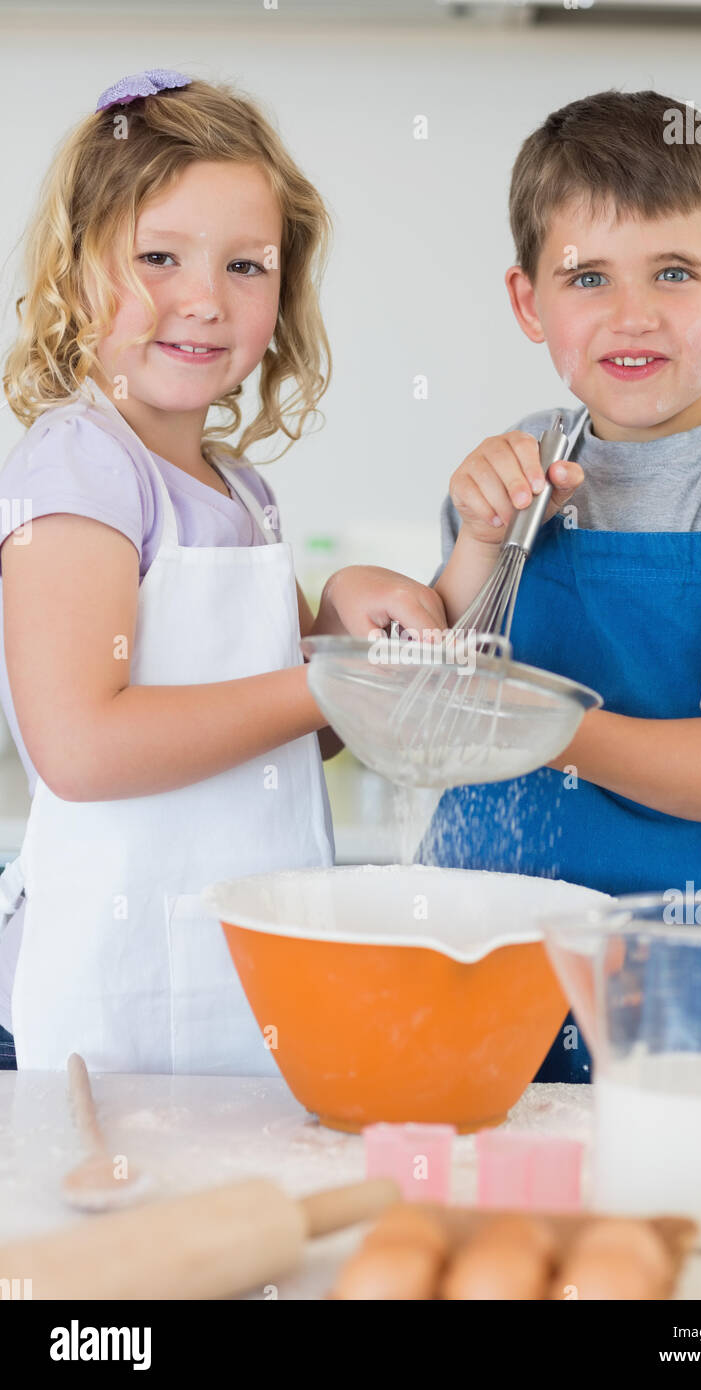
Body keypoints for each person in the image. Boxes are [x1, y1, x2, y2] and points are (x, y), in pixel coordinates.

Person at [0, 70, 445, 1074]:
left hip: (233, 985)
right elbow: (78, 744)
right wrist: (316, 676)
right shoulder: (80, 465)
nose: (201, 299)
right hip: (113, 1004)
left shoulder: (238, 488)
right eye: (157, 256)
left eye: (247, 266)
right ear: (74, 275)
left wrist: (342, 617)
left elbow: (303, 731)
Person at [420, 89, 701, 1087]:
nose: (632, 315)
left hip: (697, 1002)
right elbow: (438, 670)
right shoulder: (519, 461)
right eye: (587, 278)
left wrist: (543, 725)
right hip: (496, 980)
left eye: (672, 272)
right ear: (530, 303)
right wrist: (475, 538)